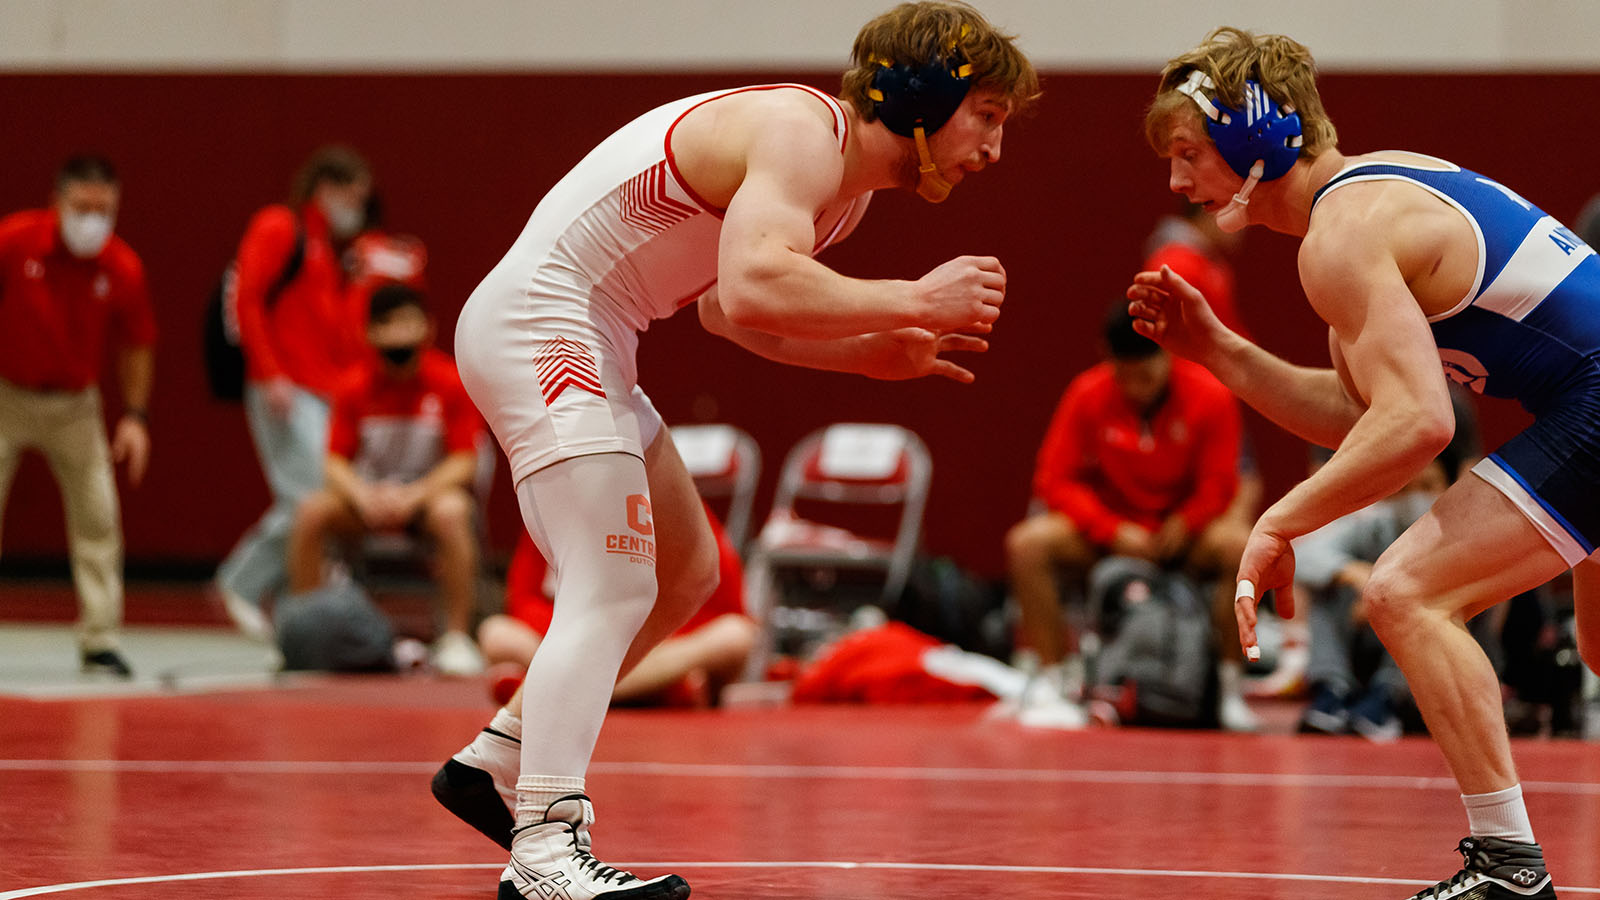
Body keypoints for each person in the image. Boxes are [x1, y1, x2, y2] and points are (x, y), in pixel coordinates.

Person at [431, 4, 1037, 897]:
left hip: (588, 332)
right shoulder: (802, 132)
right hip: (547, 323)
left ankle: (496, 762)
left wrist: (871, 353)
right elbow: (757, 284)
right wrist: (911, 298)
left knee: (684, 572)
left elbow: (730, 312)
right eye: (985, 116)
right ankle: (547, 854)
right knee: (615, 580)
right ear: (923, 95)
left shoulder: (845, 198)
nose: (992, 149)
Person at [1128, 25, 1594, 898]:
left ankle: (1508, 866)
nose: (1177, 181)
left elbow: (1420, 425)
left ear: (1254, 138)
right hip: (1586, 401)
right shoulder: (1363, 201)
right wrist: (1219, 351)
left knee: (1407, 591)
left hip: (1597, 403)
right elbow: (1361, 415)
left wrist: (1279, 518)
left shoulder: (1340, 237)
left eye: (1189, 153)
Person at [1004, 301, 1250, 730]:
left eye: (1148, 375)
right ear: (1108, 359)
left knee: (1240, 548)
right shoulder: (1086, 393)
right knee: (1027, 545)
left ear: (1168, 356)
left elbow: (1220, 484)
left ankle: (1228, 689)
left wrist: (1186, 522)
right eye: (1127, 376)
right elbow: (1054, 480)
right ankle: (1053, 680)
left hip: (1182, 538)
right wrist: (1111, 529)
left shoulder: (1212, 396)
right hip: (1111, 537)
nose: (1137, 387)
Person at [0, 155, 154, 679]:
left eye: (104, 209)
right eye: (82, 207)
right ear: (57, 203)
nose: (93, 219)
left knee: (98, 518)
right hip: (6, 396)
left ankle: (100, 639)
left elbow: (138, 344)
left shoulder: (122, 266)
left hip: (76, 406)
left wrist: (135, 416)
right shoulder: (15, 241)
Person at [284, 283, 487, 676]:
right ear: (369, 333)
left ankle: (457, 638)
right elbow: (334, 463)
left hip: (424, 503)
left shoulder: (449, 382)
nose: (399, 334)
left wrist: (416, 495)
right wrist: (361, 496)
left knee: (454, 512)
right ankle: (308, 634)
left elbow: (465, 461)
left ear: (428, 328)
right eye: (388, 325)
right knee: (311, 512)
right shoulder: (353, 387)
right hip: (370, 501)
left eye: (408, 323)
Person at [215, 146, 373, 640]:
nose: (357, 208)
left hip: (319, 390)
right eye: (352, 196)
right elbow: (248, 298)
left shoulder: (326, 247)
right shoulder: (280, 226)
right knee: (308, 499)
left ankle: (285, 600)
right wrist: (269, 373)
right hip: (285, 387)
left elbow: (331, 330)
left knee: (310, 503)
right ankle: (237, 584)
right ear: (325, 187)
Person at [480, 504, 756, 707]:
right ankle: (654, 690)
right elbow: (523, 600)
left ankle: (567, 691)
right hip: (578, 647)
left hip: (659, 648)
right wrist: (578, 639)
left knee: (734, 635)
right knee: (497, 634)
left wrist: (650, 641)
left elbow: (724, 602)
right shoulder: (557, 508)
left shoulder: (674, 500)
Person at [1294, 451, 1455, 741]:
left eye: (1428, 486)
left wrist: (1388, 592)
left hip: (1436, 669)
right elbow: (1303, 555)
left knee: (1428, 604)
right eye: (1406, 488)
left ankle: (1388, 698)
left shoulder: (1461, 534)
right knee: (1327, 585)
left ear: (1448, 488)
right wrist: (1355, 574)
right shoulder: (1374, 527)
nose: (1416, 497)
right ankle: (1332, 692)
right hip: (1366, 645)